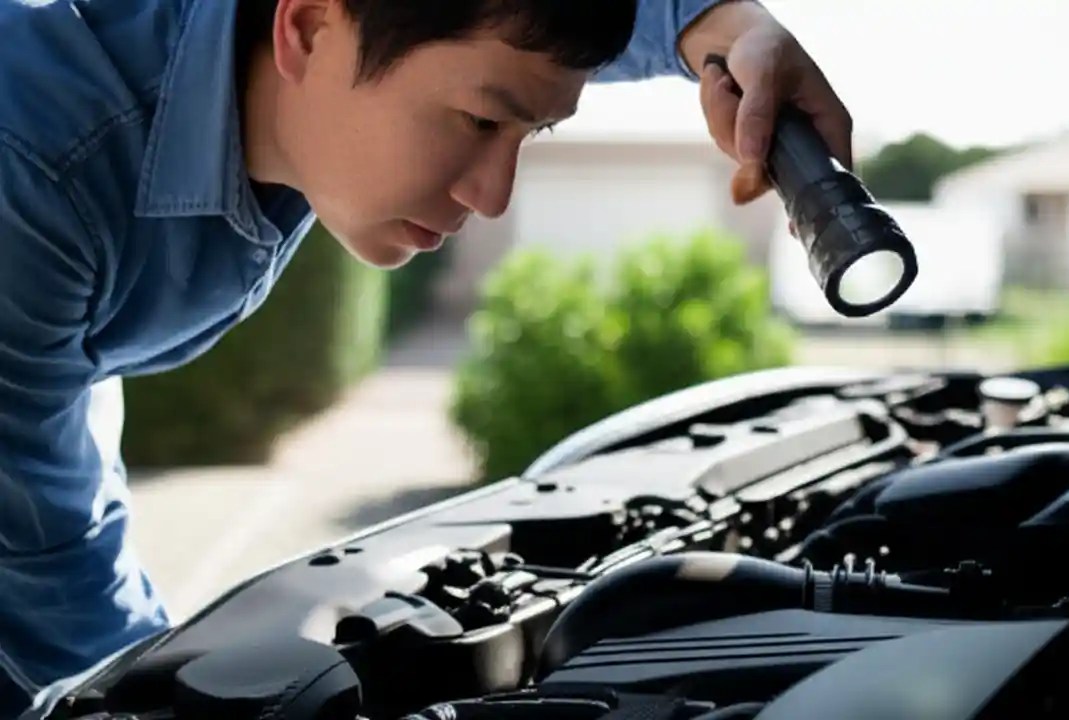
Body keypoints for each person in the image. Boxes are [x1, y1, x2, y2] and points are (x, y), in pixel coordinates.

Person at [0, 0, 853, 715]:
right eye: (481, 121)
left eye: (530, 133)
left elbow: (504, 34)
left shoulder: (316, 54)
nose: (492, 196)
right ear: (302, 30)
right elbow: (43, 569)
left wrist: (714, 20)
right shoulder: (33, 164)